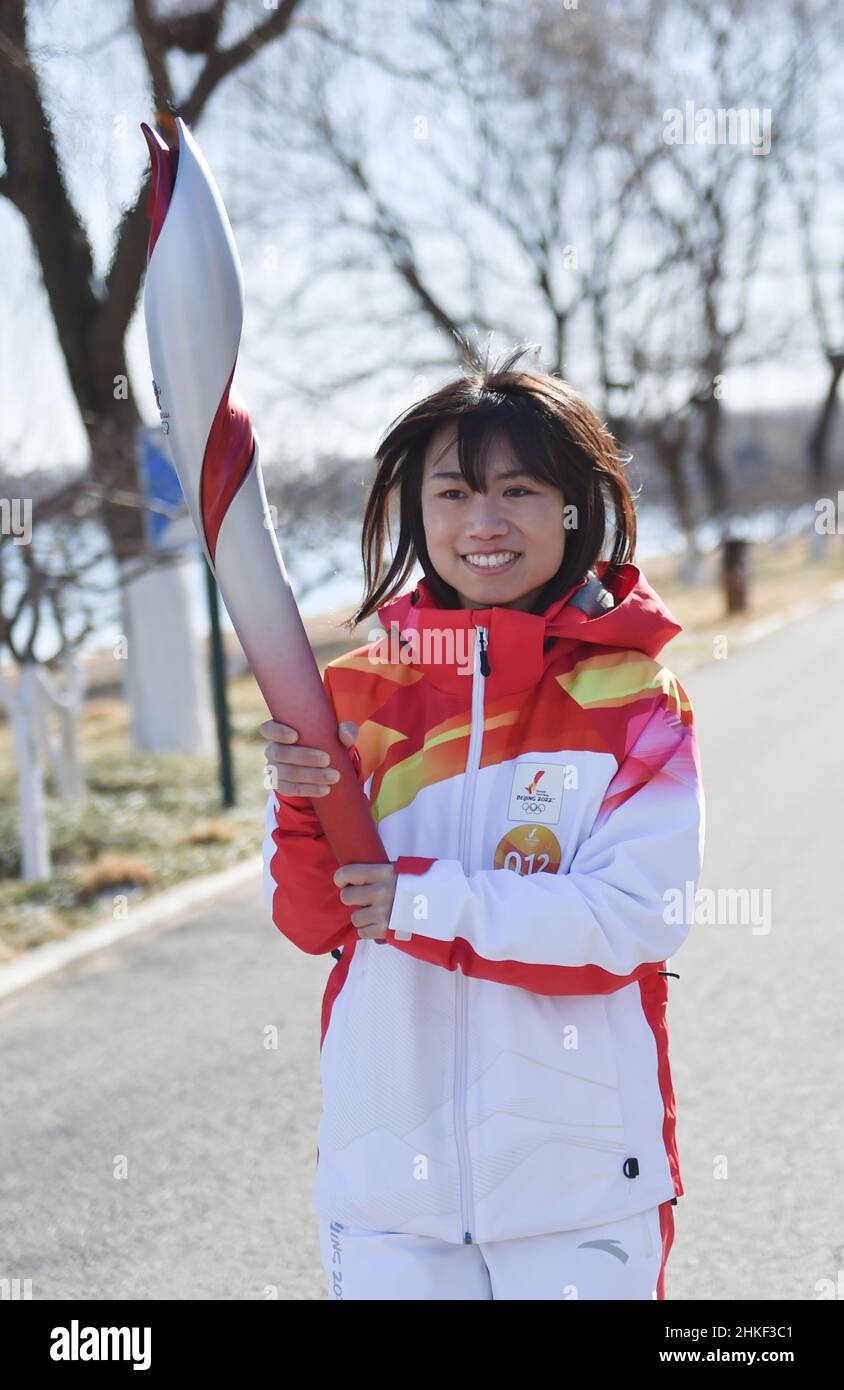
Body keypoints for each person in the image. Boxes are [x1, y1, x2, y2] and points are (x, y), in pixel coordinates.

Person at [261, 343, 705, 1300]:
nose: (485, 523)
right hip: (387, 1197)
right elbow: (310, 923)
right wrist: (307, 802)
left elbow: (631, 920)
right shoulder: (352, 697)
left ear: (576, 506)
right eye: (455, 494)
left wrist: (416, 901)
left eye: (520, 490)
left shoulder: (634, 701)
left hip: (580, 1195)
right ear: (418, 514)